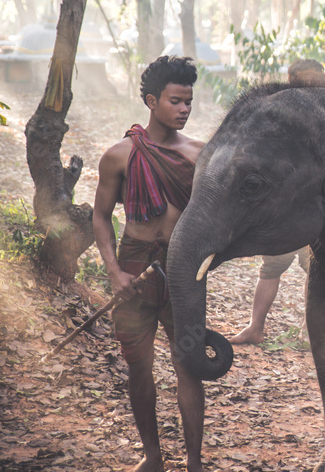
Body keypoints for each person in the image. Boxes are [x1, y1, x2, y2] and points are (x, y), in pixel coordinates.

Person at [92, 55, 206, 472]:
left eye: (188, 102)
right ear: (152, 101)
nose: (184, 109)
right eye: (176, 101)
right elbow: (101, 216)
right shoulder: (119, 157)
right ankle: (153, 457)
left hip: (181, 269)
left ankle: (194, 462)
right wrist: (113, 270)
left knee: (188, 366)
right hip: (134, 266)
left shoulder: (200, 155)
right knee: (138, 368)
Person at [228, 59, 325, 345]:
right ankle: (255, 326)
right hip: (284, 206)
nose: (310, 85)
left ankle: (310, 332)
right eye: (305, 80)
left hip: (311, 206)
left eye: (315, 80)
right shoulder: (280, 109)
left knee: (315, 269)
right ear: (291, 79)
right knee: (272, 268)